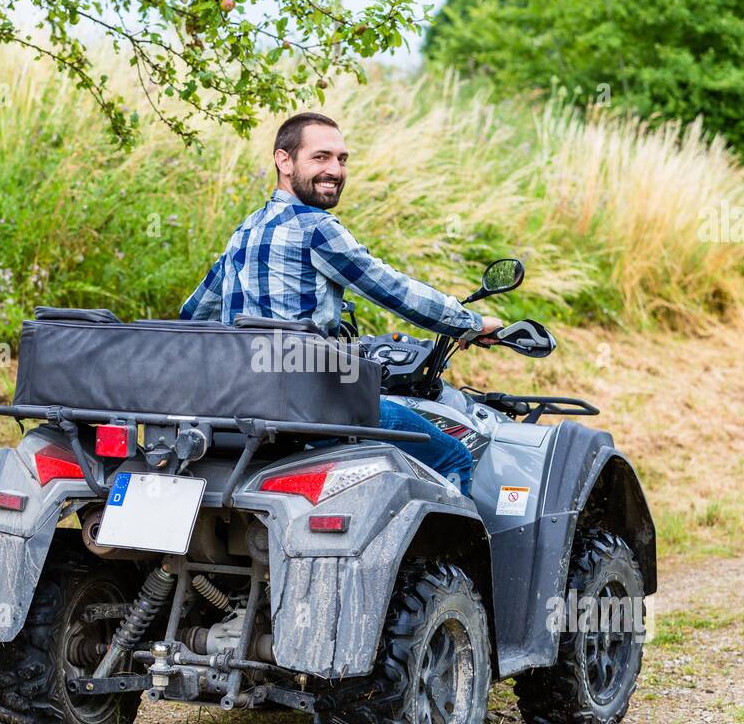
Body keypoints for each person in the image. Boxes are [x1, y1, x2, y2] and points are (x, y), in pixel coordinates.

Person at [180, 111, 502, 495]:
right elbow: (392, 290)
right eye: (321, 157)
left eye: (342, 159)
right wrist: (469, 323)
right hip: (309, 405)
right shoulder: (316, 229)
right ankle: (451, 556)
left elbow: (194, 315)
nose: (335, 169)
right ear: (284, 160)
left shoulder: (245, 232)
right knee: (453, 457)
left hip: (239, 402)